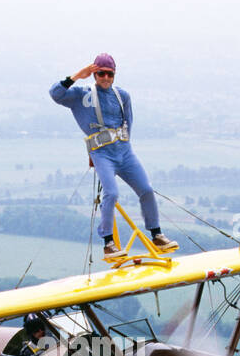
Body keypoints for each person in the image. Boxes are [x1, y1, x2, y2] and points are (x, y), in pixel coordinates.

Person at [50, 53, 178, 260]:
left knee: (146, 189)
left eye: (110, 74)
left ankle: (157, 234)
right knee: (111, 193)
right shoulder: (81, 95)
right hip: (102, 155)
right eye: (101, 74)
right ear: (94, 73)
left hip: (124, 153)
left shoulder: (122, 95)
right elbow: (55, 93)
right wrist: (77, 76)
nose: (106, 78)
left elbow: (129, 123)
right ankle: (108, 243)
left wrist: (124, 147)